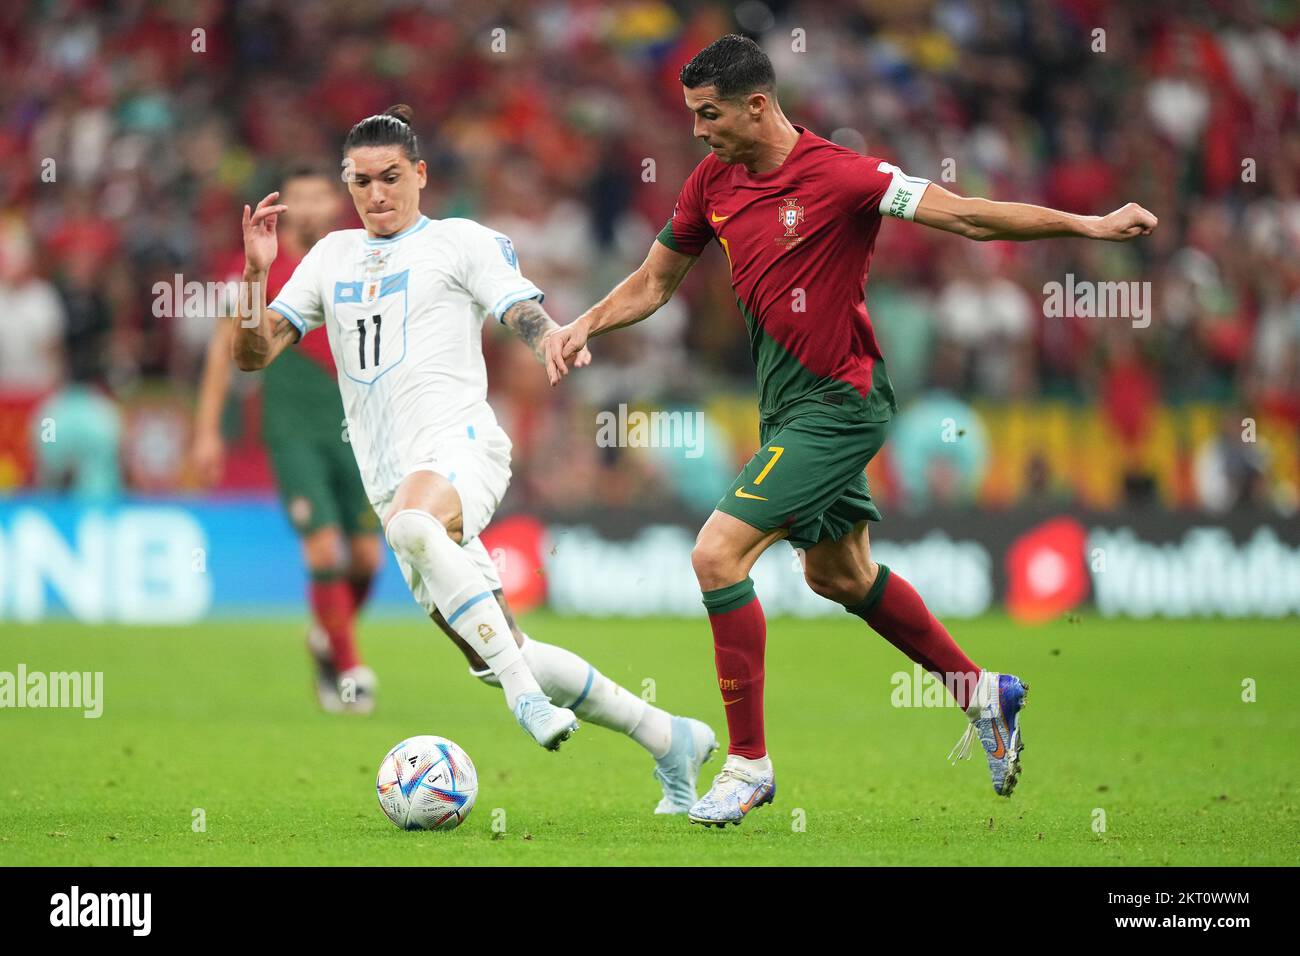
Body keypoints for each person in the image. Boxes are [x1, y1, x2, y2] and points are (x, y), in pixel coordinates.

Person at [543, 35, 1158, 827]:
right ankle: (984, 693)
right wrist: (585, 321)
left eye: (709, 114)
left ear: (757, 105)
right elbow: (658, 279)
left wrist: (1092, 225)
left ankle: (748, 764)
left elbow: (967, 217)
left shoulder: (845, 176)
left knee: (716, 553)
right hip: (785, 407)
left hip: (840, 405)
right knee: (836, 575)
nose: (697, 131)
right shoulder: (711, 181)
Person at [231, 105, 718, 814]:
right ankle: (668, 736)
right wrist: (253, 274)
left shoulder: (460, 241)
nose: (376, 194)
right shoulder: (328, 258)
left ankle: (526, 702)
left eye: (390, 177)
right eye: (361, 181)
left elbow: (517, 306)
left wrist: (551, 336)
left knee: (411, 531)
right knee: (500, 650)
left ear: (421, 175)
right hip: (392, 481)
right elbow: (253, 355)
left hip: (463, 449)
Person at [193, 166, 383, 714]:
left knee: (367, 558)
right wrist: (207, 431)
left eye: (319, 195)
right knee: (323, 547)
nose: (309, 206)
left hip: (359, 427)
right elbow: (221, 352)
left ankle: (327, 635)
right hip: (292, 429)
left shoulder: (359, 257)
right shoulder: (256, 267)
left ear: (334, 203)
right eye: (297, 197)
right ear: (287, 206)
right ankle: (348, 668)